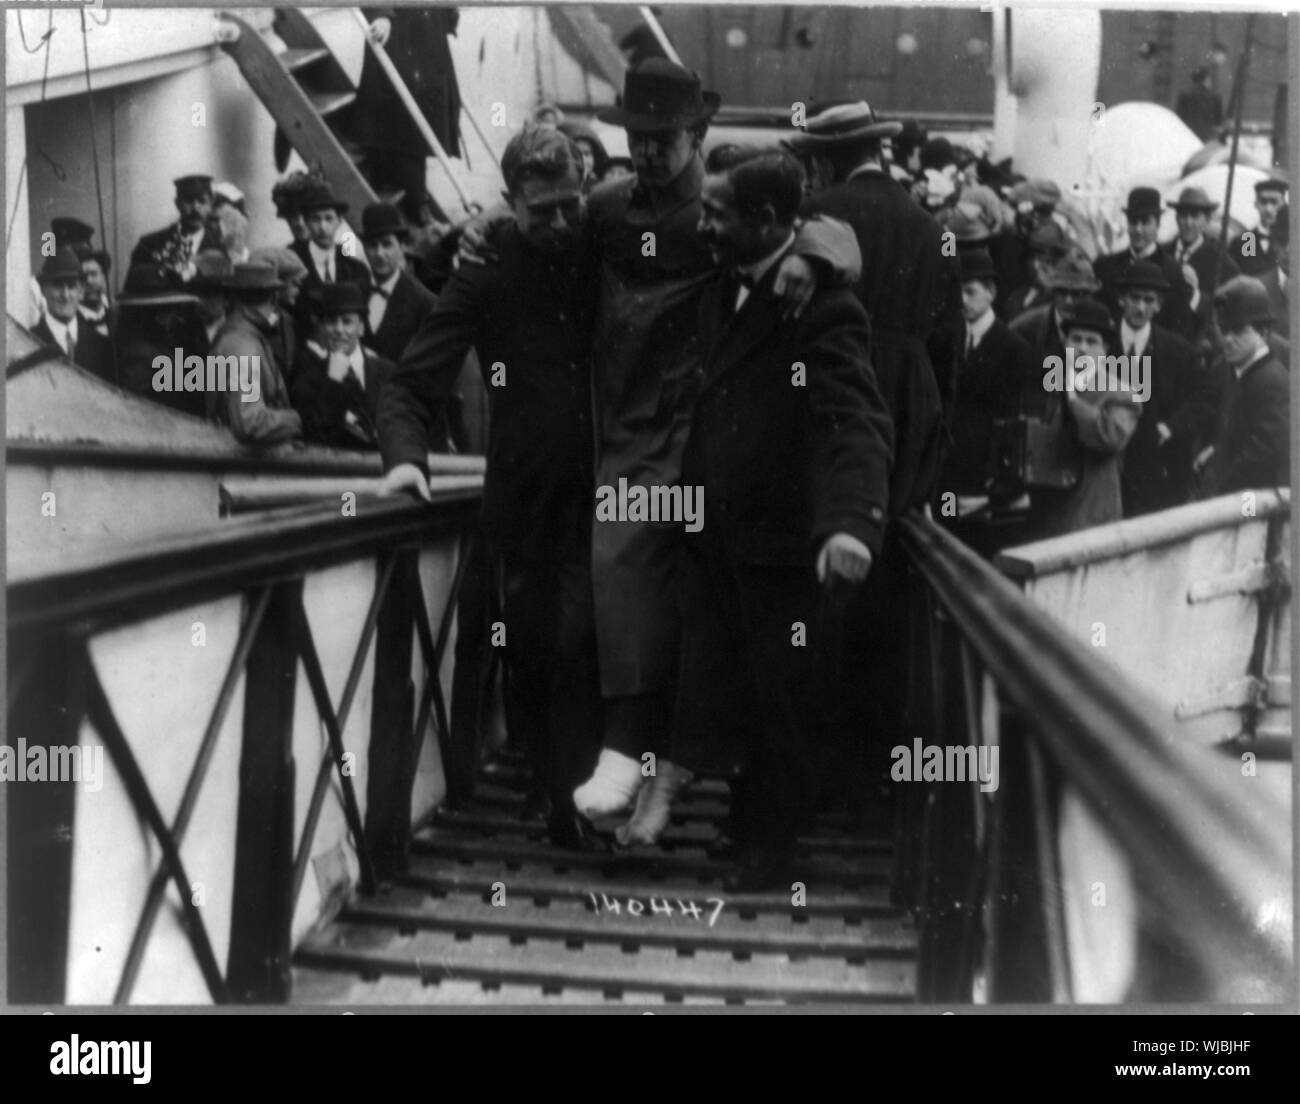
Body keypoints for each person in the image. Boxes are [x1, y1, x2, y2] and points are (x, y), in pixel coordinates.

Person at [557, 60, 861, 830]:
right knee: (619, 572)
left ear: (697, 134)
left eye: (664, 140)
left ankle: (659, 765)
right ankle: (633, 755)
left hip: (699, 422)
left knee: (689, 592)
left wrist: (813, 252)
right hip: (624, 420)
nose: (650, 153)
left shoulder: (723, 204)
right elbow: (549, 248)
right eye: (638, 139)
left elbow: (827, 229)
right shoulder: (606, 210)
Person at [377, 126, 603, 850]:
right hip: (529, 497)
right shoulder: (486, 269)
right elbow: (409, 386)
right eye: (543, 211)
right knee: (540, 645)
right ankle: (557, 791)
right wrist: (405, 460)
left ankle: (578, 795)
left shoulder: (601, 239)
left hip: (610, 490)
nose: (561, 223)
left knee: (588, 642)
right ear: (511, 202)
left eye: (571, 204)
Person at [674, 147, 894, 890]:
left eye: (716, 214)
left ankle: (773, 854)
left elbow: (854, 420)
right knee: (743, 689)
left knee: (782, 698)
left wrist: (852, 523)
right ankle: (748, 829)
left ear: (766, 222)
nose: (703, 224)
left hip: (778, 545)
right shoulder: (728, 279)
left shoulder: (821, 305)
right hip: (724, 540)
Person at [938, 248, 1037, 554]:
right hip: (948, 481)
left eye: (970, 292)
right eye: (958, 292)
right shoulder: (946, 341)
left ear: (991, 293)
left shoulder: (1015, 349)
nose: (962, 300)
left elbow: (1018, 425)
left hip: (988, 490)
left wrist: (999, 492)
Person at [1028, 300, 1140, 538]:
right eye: (1076, 339)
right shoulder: (1049, 384)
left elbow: (1111, 437)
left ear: (1105, 349)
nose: (1082, 348)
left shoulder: (1121, 392)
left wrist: (1073, 400)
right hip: (1048, 512)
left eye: (1092, 341)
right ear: (1065, 343)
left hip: (1091, 513)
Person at [1112, 262, 1213, 516]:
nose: (1141, 307)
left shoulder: (1178, 351)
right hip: (1109, 473)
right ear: (1121, 299)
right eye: (1134, 298)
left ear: (1158, 305)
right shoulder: (1101, 344)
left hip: (1159, 473)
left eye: (1149, 300)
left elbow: (1202, 401)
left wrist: (1171, 427)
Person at [355, 7, 462, 199]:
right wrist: (381, 15)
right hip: (394, 34)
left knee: (421, 117)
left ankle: (416, 197)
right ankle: (413, 199)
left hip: (425, 36)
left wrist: (449, 12)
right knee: (403, 118)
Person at [1196, 276, 1290, 495]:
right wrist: (1217, 452)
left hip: (1258, 503)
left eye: (1238, 331)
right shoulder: (1240, 370)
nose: (1227, 339)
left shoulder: (1271, 380)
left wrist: (1217, 479)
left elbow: (1266, 452)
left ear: (1264, 333)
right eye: (1224, 329)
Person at [291, 282, 395, 450]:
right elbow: (316, 435)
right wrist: (333, 382)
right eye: (332, 322)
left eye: (347, 322)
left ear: (361, 328)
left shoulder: (387, 372)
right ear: (323, 327)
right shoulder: (308, 376)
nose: (339, 329)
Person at [208, 262, 303, 444]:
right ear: (274, 298)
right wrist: (299, 419)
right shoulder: (242, 347)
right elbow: (250, 422)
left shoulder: (240, 337)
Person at [1095, 186, 1197, 339]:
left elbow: (1180, 330)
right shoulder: (1105, 267)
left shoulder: (1172, 272)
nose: (1138, 230)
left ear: (1158, 224)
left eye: (1145, 222)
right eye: (1133, 222)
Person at [112, 264, 204, 416]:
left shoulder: (166, 341)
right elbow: (135, 406)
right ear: (152, 314)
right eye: (166, 308)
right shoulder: (137, 353)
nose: (172, 314)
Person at [359, 203, 438, 363]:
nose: (380, 254)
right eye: (373, 245)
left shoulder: (424, 302)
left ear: (402, 247)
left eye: (387, 244)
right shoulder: (356, 290)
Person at [31, 248, 115, 383]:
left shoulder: (102, 345)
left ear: (81, 292)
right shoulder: (30, 342)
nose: (65, 295)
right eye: (58, 286)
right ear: (43, 290)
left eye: (71, 286)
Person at [129, 174, 223, 281]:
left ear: (211, 205)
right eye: (188, 200)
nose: (196, 208)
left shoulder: (223, 245)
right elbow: (133, 285)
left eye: (202, 201)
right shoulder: (149, 245)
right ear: (177, 203)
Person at [1169, 186, 1239, 301]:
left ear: (1207, 219)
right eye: (1183, 215)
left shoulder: (1223, 264)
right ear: (1176, 217)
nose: (1188, 223)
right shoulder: (1162, 253)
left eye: (1195, 216)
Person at [1238, 176, 1288, 279]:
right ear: (1256, 204)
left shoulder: (1291, 241)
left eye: (1274, 202)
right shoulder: (1246, 239)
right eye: (1263, 201)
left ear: (1283, 204)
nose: (1268, 209)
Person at [1175, 67, 1223, 143]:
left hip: (1187, 136)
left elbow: (1177, 118)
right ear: (1206, 80)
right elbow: (1218, 122)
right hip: (1206, 139)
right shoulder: (1214, 97)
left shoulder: (1184, 95)